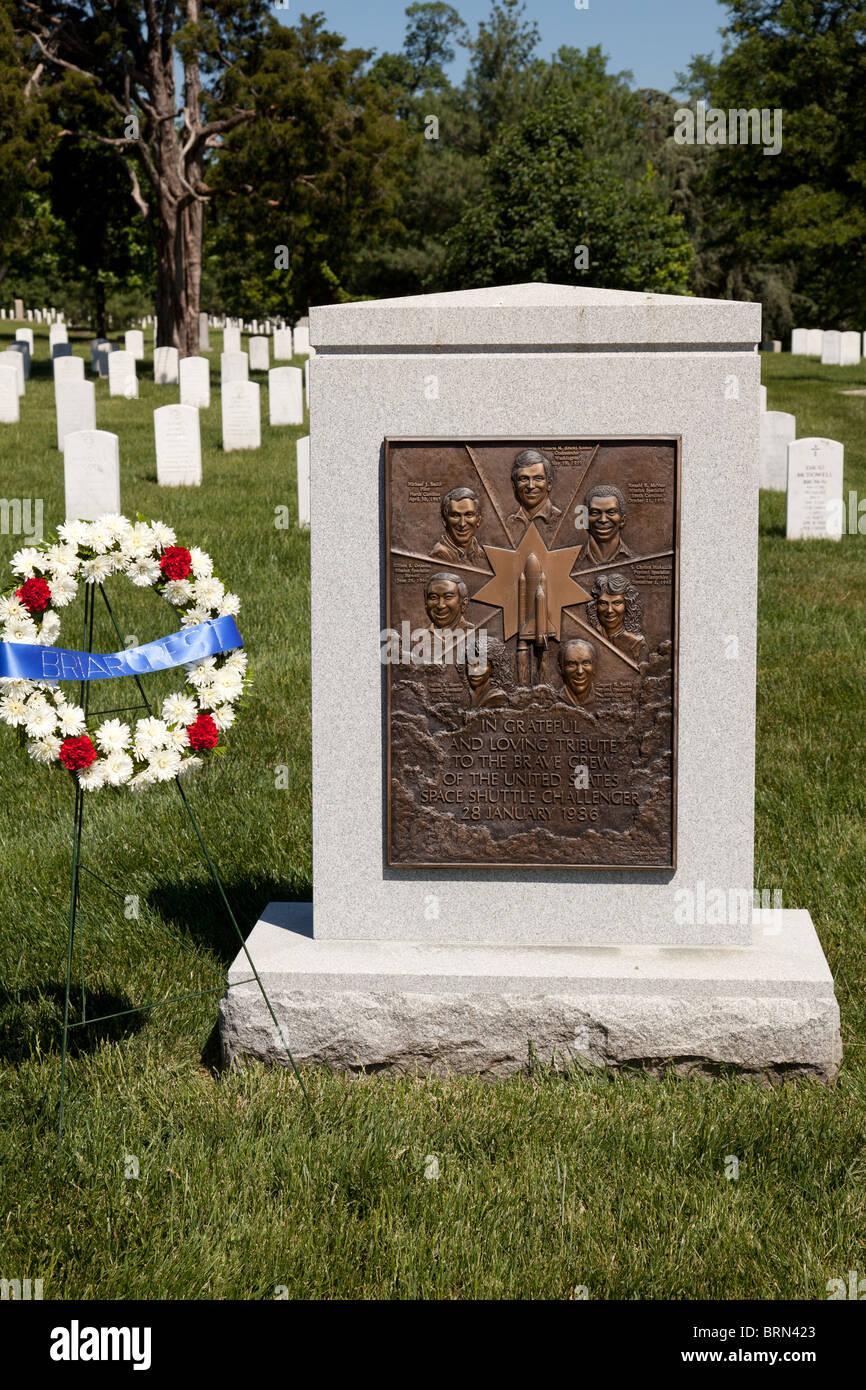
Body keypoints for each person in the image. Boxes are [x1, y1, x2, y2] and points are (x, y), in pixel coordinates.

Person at [587, 572, 646, 659]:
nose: (609, 610)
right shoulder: (588, 635)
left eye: (617, 603)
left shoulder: (636, 644)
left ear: (628, 606)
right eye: (603, 603)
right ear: (595, 606)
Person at [575, 483, 631, 565]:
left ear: (622, 520)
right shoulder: (571, 560)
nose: (603, 520)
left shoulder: (636, 559)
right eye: (595, 513)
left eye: (611, 512)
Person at [506, 449, 562, 532]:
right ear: (514, 485)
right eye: (524, 479)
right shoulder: (510, 523)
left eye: (538, 478)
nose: (531, 486)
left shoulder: (560, 518)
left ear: (549, 484)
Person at [430, 487, 485, 565]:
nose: (462, 524)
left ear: (478, 520)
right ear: (444, 521)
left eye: (469, 515)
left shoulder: (482, 554)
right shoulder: (439, 556)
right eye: (455, 515)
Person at [464, 636, 510, 709]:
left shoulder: (497, 698)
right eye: (471, 664)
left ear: (494, 667)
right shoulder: (466, 694)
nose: (474, 671)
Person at [558, 638, 596, 706]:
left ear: (594, 667)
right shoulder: (553, 700)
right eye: (572, 664)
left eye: (586, 663)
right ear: (561, 668)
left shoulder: (605, 699)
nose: (580, 671)